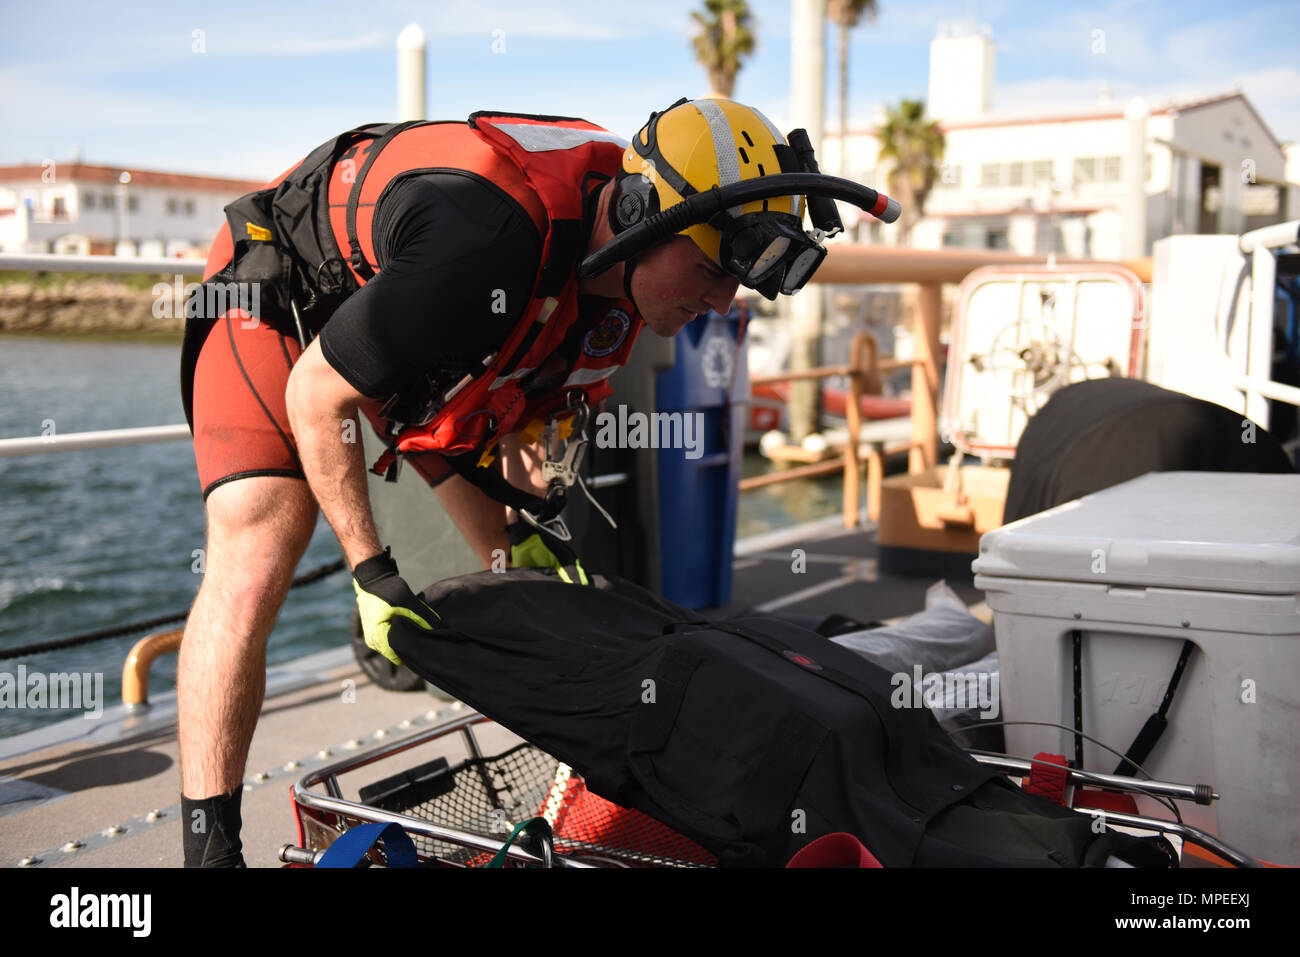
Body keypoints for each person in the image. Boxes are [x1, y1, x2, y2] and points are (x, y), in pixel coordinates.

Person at [176, 95, 894, 866]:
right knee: (257, 547)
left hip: (404, 305)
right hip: (281, 285)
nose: (722, 302)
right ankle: (208, 845)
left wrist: (522, 545)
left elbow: (466, 435)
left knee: (514, 568)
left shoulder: (614, 284)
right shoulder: (488, 244)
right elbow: (317, 397)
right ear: (644, 216)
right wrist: (370, 571)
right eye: (714, 270)